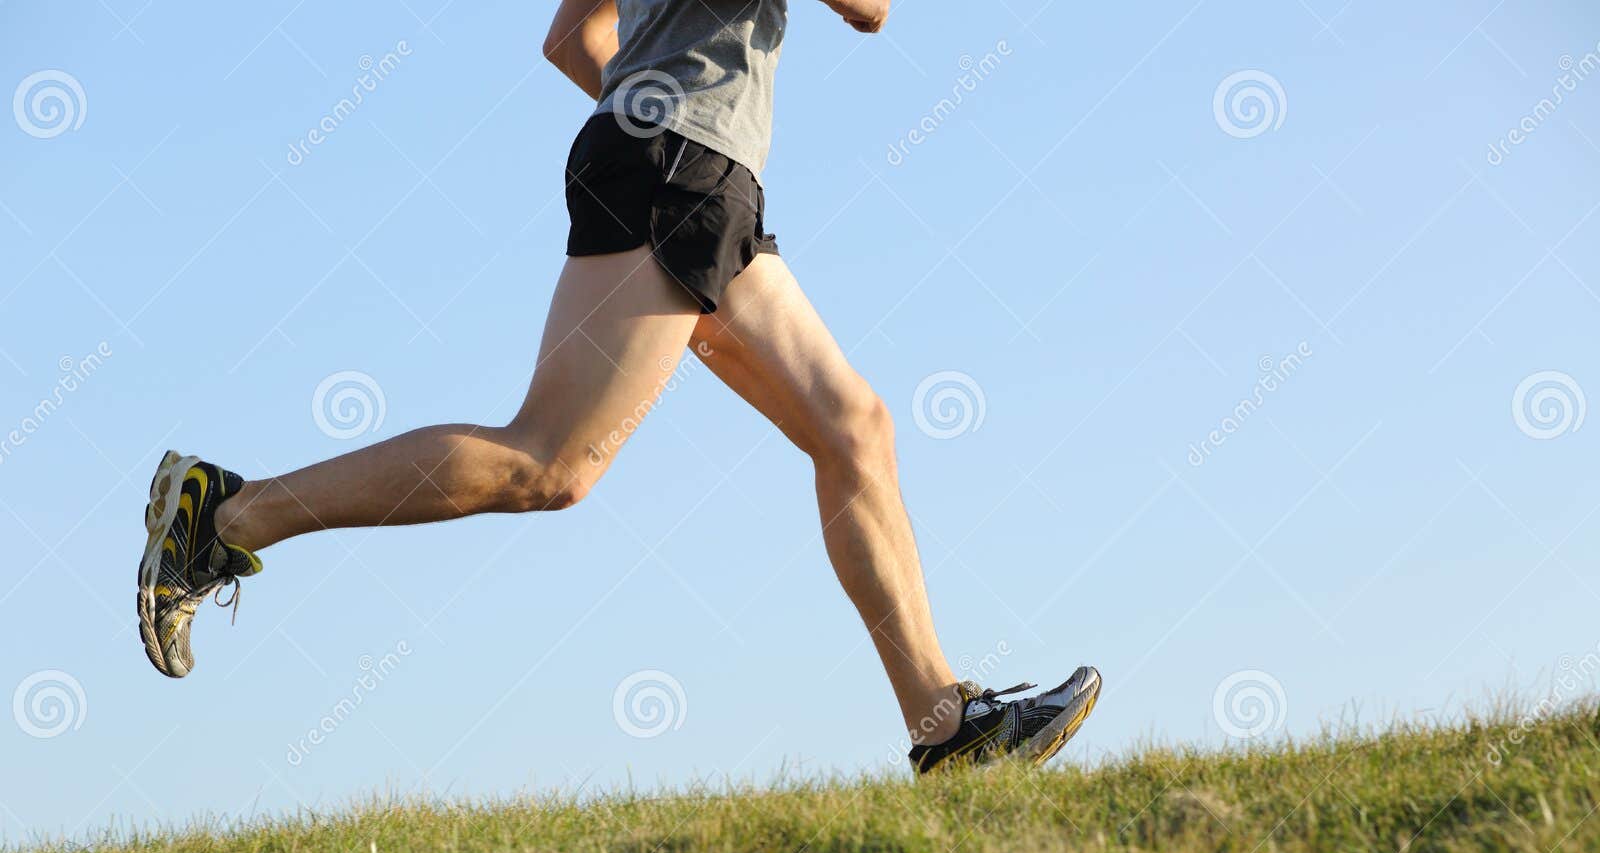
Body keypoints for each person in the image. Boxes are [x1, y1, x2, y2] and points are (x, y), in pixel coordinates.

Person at [136, 0, 1100, 775]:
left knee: (854, 428)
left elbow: (571, 38)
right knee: (550, 461)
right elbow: (871, 8)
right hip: (677, 167)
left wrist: (634, 100)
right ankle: (225, 517)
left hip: (687, 165)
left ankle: (947, 726)